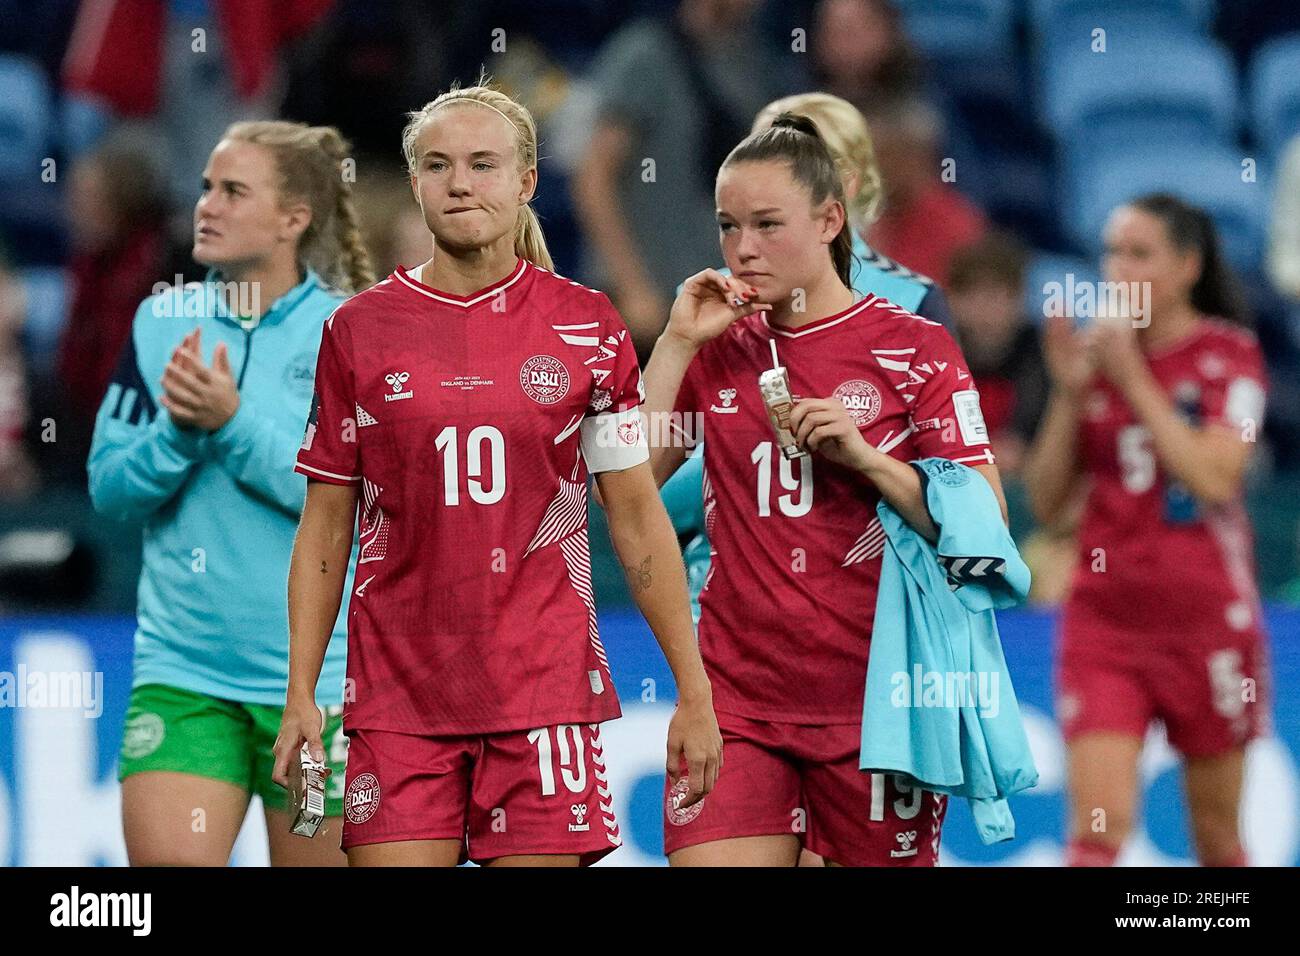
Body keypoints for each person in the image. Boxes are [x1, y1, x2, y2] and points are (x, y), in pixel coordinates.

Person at [272, 82, 722, 867]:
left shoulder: (587, 324)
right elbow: (326, 523)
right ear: (415, 183)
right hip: (396, 698)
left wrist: (694, 686)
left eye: (483, 164)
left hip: (541, 691)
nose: (459, 183)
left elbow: (636, 515)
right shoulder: (357, 331)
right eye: (438, 165)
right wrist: (301, 691)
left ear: (526, 182)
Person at [642, 113, 1006, 866]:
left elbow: (986, 522)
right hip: (734, 701)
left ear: (830, 219)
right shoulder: (717, 346)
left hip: (879, 708)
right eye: (729, 226)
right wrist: (675, 344)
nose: (743, 247)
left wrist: (870, 461)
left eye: (768, 224)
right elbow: (630, 480)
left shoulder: (914, 345)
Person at [89, 120, 374, 865]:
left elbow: (356, 501)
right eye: (207, 187)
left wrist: (232, 423)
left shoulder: (351, 332)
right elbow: (110, 491)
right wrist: (179, 434)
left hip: (323, 699)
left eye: (233, 191)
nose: (206, 205)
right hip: (184, 681)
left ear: (293, 219)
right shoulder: (161, 321)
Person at [1024, 193, 1271, 866]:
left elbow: (1218, 477)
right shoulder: (1094, 362)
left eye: (1139, 253)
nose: (1117, 268)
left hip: (1208, 625)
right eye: (1111, 252)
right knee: (1096, 834)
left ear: (1188, 265)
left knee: (1218, 841)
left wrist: (1133, 381)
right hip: (1107, 624)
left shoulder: (1232, 357)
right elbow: (1047, 502)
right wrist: (1071, 394)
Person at [946, 232, 1047, 476]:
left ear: (1020, 298)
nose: (986, 309)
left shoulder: (1039, 350)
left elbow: (1034, 424)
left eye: (997, 296)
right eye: (973, 296)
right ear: (952, 300)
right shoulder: (939, 350)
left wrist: (1017, 443)